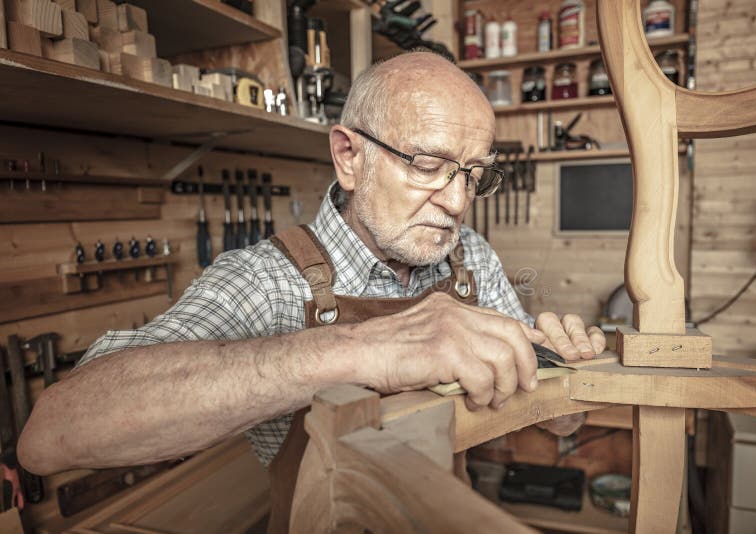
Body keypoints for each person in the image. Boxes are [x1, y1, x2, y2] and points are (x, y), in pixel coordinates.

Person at [18, 51, 605, 477]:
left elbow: (550, 420)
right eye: (427, 165)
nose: (456, 202)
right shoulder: (265, 280)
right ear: (349, 157)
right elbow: (52, 434)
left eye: (473, 175)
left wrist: (562, 388)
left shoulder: (470, 257)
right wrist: (363, 348)